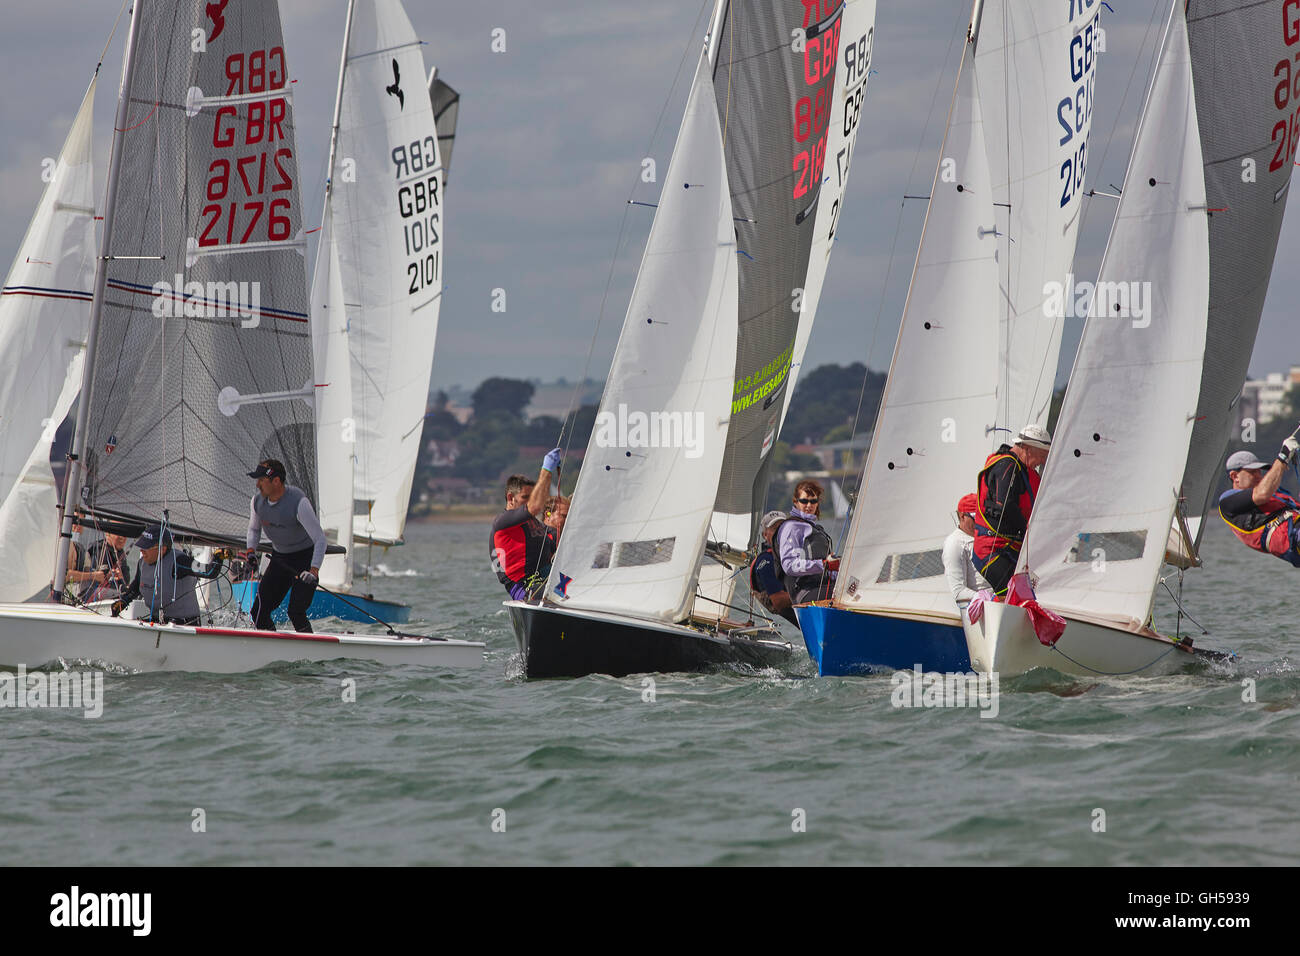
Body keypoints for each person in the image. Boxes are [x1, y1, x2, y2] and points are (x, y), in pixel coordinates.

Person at [242, 459, 328, 633]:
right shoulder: (257, 502)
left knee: (295, 612)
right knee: (258, 612)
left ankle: (310, 652)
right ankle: (271, 648)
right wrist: (251, 552)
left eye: (261, 480)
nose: (257, 485)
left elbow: (320, 539)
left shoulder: (298, 502)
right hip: (280, 559)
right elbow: (253, 530)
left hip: (305, 559)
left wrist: (314, 571)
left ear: (276, 481)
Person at [972, 424, 1050, 596]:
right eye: (1043, 455)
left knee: (1024, 597)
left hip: (1007, 549)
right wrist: (1027, 529)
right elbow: (1004, 503)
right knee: (1014, 597)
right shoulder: (1007, 464)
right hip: (991, 550)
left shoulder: (1020, 466)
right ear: (1028, 448)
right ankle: (981, 610)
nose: (1043, 461)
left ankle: (992, 612)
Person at [117, 524, 223, 625]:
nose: (142, 551)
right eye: (141, 547)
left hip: (184, 625)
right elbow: (136, 587)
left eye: (146, 548)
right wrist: (124, 601)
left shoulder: (180, 561)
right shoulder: (142, 563)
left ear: (162, 549)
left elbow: (209, 572)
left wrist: (219, 557)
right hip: (158, 621)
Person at [491, 448, 561, 601]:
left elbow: (556, 537)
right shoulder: (502, 522)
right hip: (524, 588)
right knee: (568, 589)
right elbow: (536, 506)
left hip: (546, 579)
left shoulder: (533, 523)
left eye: (532, 496)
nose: (530, 501)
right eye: (525, 497)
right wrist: (547, 469)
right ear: (511, 498)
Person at [1218, 442, 1300, 565]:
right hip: (1294, 539)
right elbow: (1261, 494)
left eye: (1259, 472)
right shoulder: (1227, 502)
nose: (1259, 476)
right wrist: (1283, 457)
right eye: (1252, 472)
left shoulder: (1271, 493)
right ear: (1235, 476)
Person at [775, 479, 839, 604]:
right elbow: (789, 565)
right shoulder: (792, 527)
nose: (809, 505)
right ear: (796, 502)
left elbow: (827, 568)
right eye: (804, 501)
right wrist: (824, 564)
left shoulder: (814, 528)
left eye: (813, 501)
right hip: (805, 592)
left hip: (821, 587)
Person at [942, 493, 991, 609]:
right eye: (976, 517)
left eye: (983, 516)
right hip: (986, 611)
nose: (981, 521)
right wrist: (988, 599)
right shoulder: (954, 543)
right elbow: (958, 591)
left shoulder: (987, 535)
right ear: (962, 516)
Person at [750, 510, 797, 625]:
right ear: (765, 535)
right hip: (809, 613)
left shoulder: (794, 553)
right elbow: (778, 601)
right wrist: (811, 595)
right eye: (775, 528)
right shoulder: (766, 560)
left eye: (783, 527)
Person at [65, 522, 131, 604]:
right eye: (119, 532)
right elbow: (67, 576)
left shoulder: (121, 554)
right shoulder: (95, 550)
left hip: (112, 598)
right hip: (86, 599)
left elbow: (126, 583)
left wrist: (119, 578)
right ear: (107, 534)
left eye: (125, 534)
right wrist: (94, 576)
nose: (123, 537)